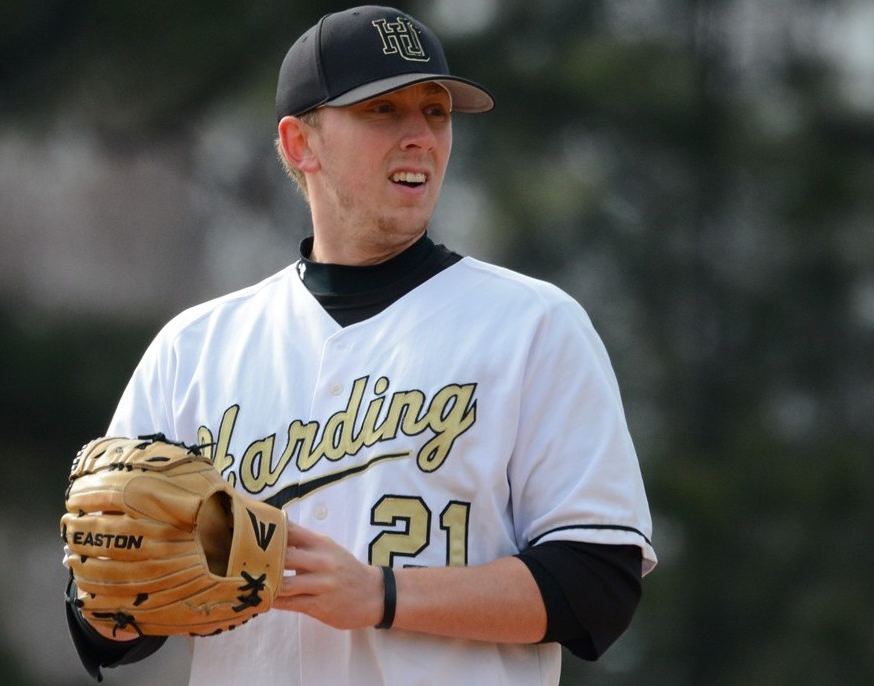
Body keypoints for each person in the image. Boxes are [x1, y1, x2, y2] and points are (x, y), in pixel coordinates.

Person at [64, 5, 656, 685]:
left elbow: (596, 588)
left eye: (434, 112)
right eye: (382, 111)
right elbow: (112, 604)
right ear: (298, 145)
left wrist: (381, 596)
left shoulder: (532, 326)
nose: (419, 137)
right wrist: (110, 610)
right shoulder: (195, 348)